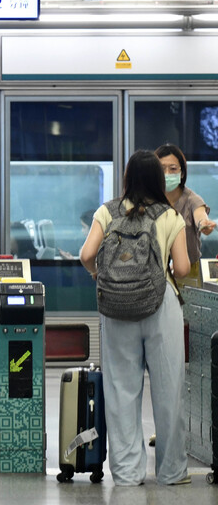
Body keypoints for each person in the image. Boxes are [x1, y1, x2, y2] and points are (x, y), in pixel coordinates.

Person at [79, 149, 190, 486]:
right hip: (161, 306)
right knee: (169, 390)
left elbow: (86, 255)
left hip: (115, 309)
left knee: (121, 391)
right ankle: (172, 472)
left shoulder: (107, 211)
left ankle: (127, 474)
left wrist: (103, 276)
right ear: (159, 180)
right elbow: (183, 268)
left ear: (127, 178)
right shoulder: (170, 216)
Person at [155, 143, 216, 289]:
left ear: (182, 173)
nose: (167, 174)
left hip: (188, 273)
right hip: (154, 271)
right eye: (162, 169)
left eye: (173, 169)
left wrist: (204, 225)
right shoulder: (149, 199)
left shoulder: (192, 200)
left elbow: (201, 217)